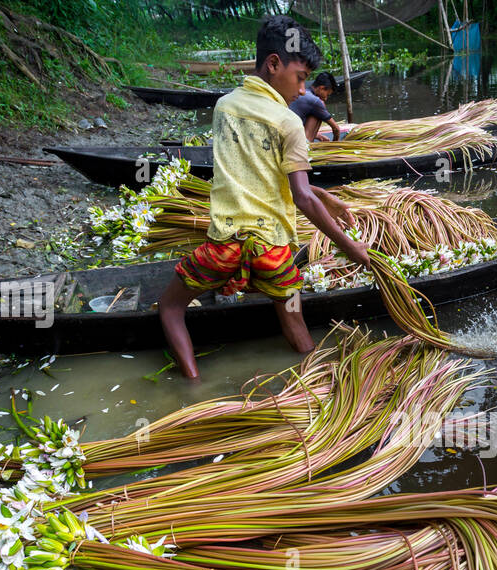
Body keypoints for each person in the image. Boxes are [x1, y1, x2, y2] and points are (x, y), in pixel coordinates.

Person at [156, 16, 369, 380]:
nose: (304, 90)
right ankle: (319, 386)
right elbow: (300, 196)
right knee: (296, 327)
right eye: (301, 77)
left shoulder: (223, 108)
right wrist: (349, 246)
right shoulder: (288, 123)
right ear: (274, 64)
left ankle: (192, 385)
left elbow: (252, 173)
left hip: (223, 249)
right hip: (272, 254)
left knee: (170, 308)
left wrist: (323, 194)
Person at [291, 71, 344, 143]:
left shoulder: (306, 92)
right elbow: (336, 129)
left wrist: (317, 136)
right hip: (296, 143)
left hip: (289, 134)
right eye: (327, 95)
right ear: (321, 88)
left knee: (317, 110)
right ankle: (307, 145)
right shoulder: (315, 101)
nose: (326, 98)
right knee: (320, 107)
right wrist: (334, 144)